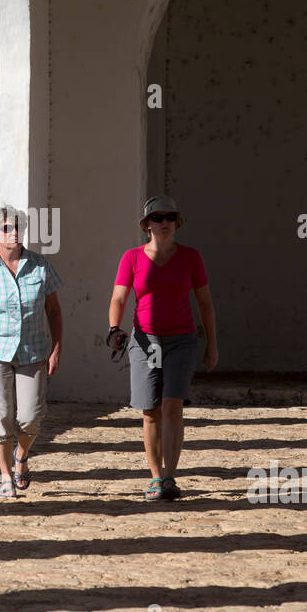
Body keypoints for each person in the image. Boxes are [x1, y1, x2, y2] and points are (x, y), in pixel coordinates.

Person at [107, 195, 217, 500]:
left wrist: (212, 344)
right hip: (144, 341)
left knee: (172, 406)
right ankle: (155, 477)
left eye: (170, 218)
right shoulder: (131, 258)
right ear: (146, 225)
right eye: (157, 218)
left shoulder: (191, 257)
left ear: (177, 223)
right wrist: (114, 329)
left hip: (181, 340)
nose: (164, 223)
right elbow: (118, 298)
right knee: (150, 410)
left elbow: (205, 304)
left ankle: (170, 476)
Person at [0, 205, 64, 498]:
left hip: (33, 352)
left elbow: (54, 310)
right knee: (1, 415)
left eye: (18, 228)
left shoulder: (40, 266)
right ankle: (5, 475)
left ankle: (21, 456)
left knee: (30, 416)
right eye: (7, 228)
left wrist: (56, 348)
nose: (14, 233)